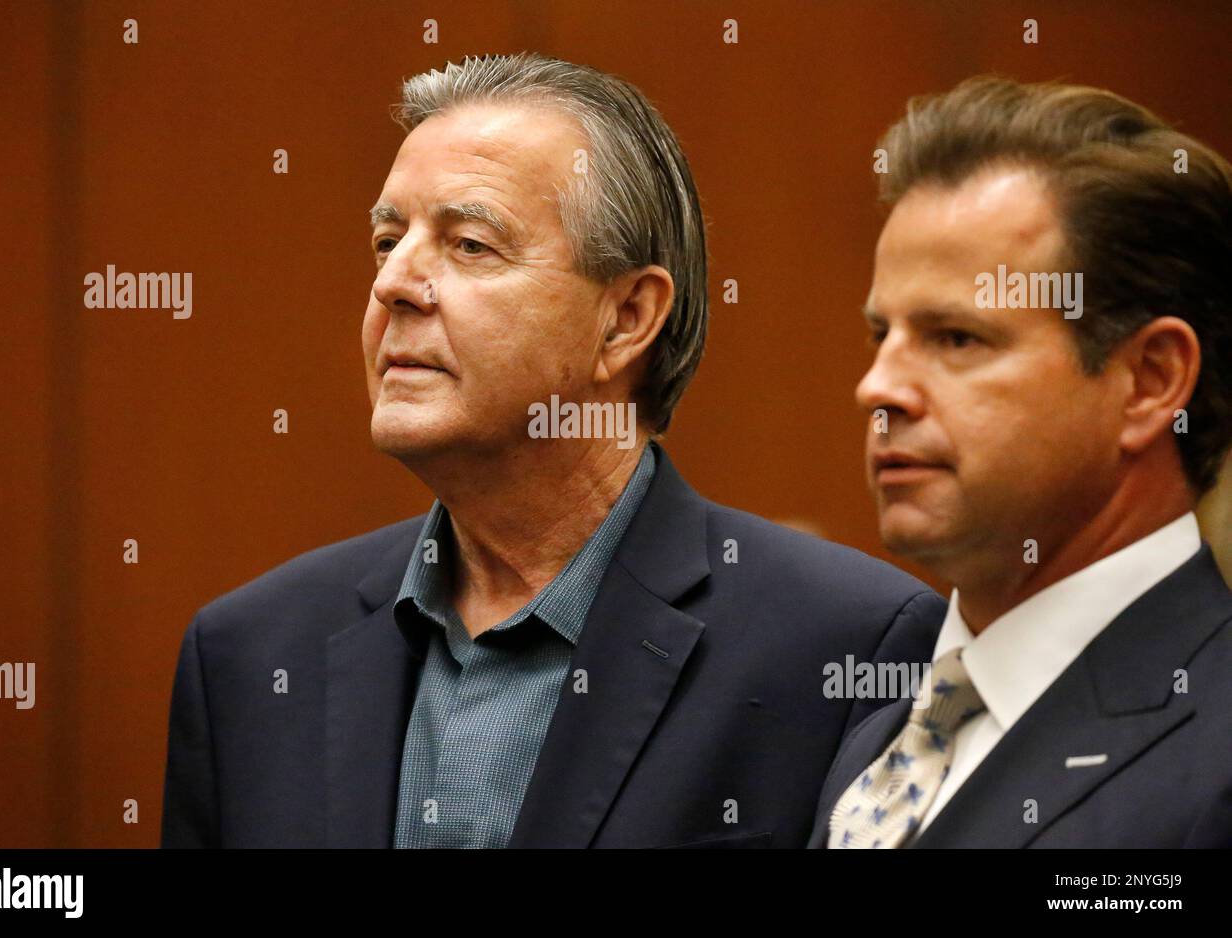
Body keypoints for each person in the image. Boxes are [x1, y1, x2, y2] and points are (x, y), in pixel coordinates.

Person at [161, 52, 942, 848]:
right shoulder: (248, 657)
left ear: (628, 317)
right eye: (386, 240)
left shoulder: (847, 648)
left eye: (468, 244)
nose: (392, 282)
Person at [811, 76, 1232, 848]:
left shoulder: (1213, 748)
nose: (877, 387)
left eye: (956, 338)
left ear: (1150, 381)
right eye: (883, 335)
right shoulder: (874, 735)